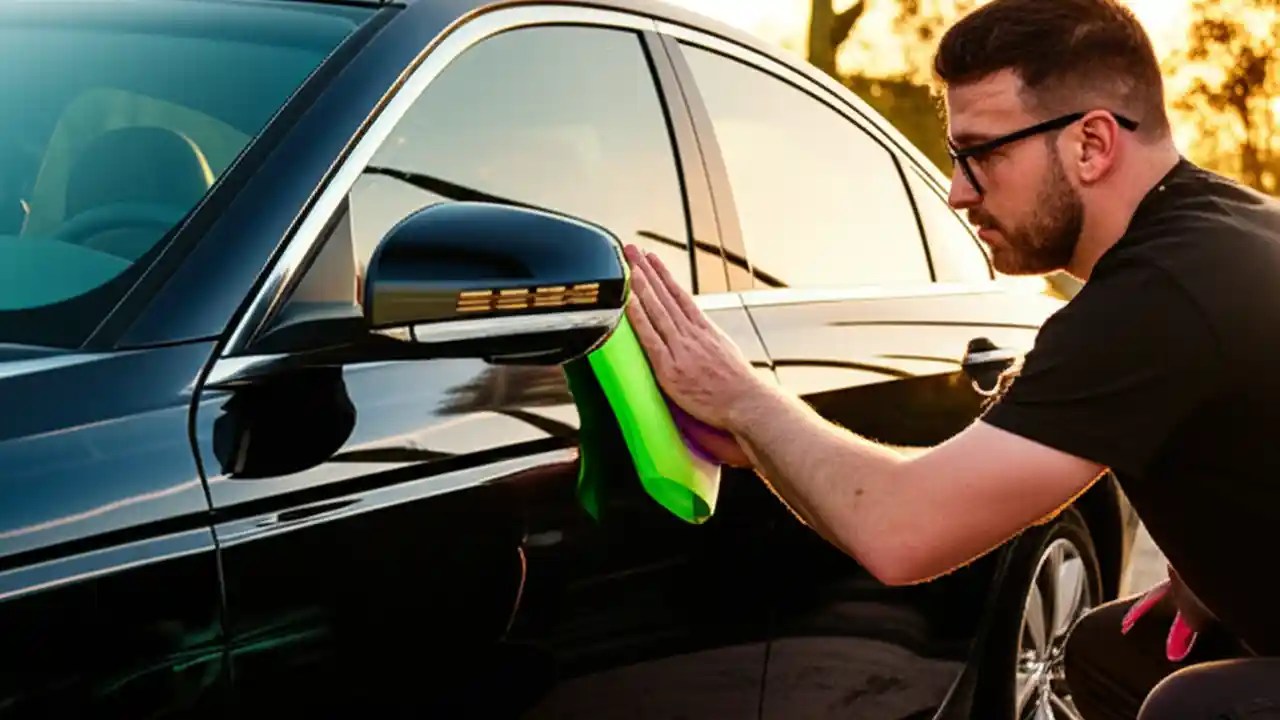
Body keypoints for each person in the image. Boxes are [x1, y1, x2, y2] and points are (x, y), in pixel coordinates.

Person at [620, 0, 1280, 717]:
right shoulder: (1224, 235)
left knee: (1198, 706)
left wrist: (743, 398)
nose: (959, 191)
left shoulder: (1158, 296)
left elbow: (902, 531)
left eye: (984, 154)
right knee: (1109, 650)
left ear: (1092, 144)